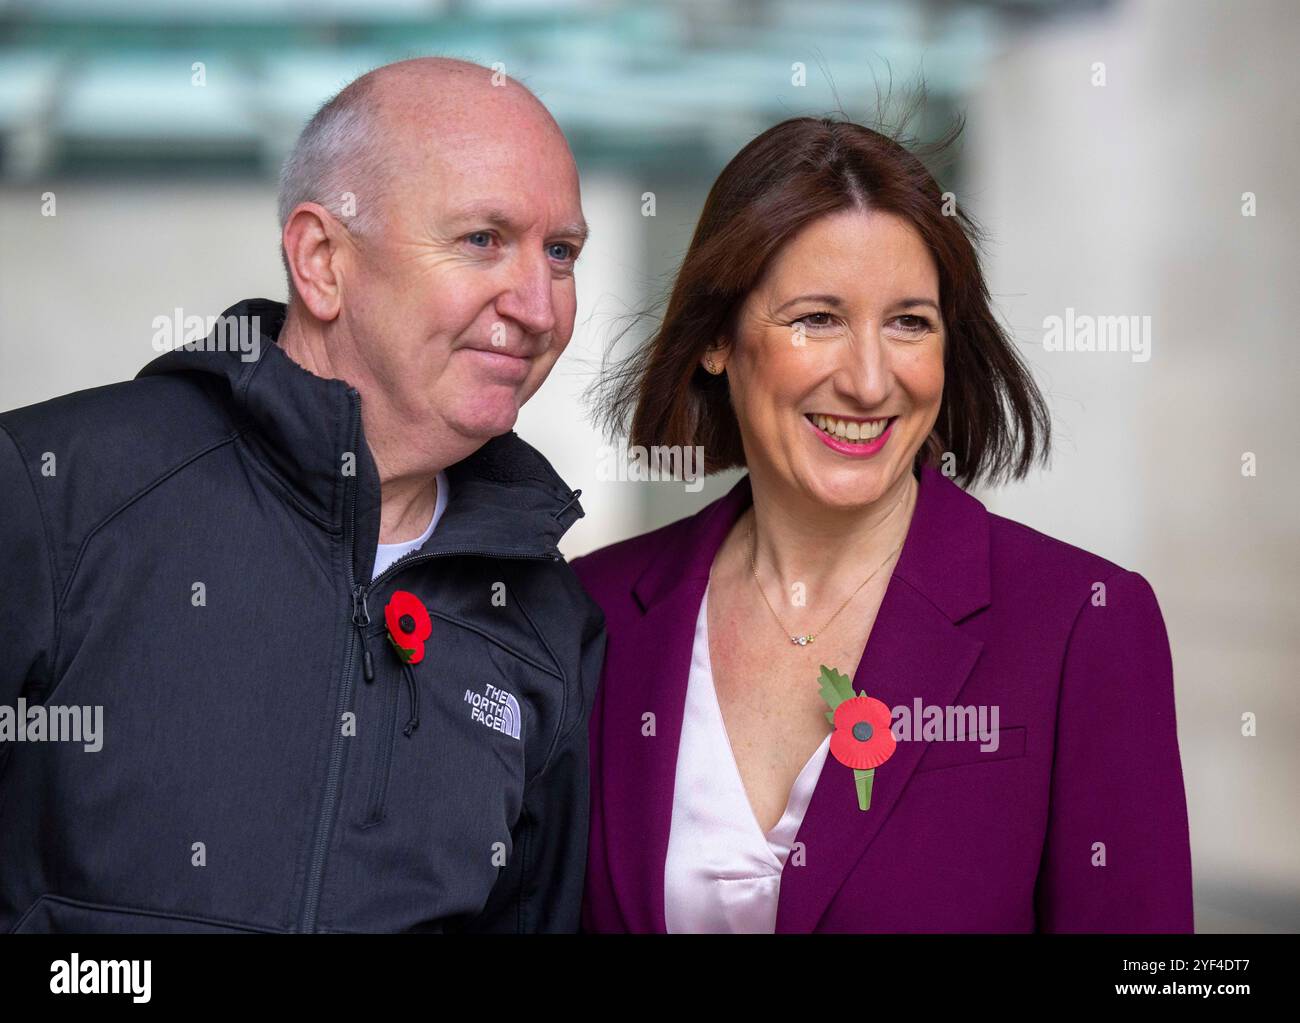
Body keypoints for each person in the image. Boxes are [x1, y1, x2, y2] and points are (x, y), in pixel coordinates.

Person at [0, 57, 604, 933]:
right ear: (323, 260)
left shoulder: (547, 623)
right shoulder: (56, 493)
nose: (540, 305)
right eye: (482, 239)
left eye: (561, 252)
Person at [573, 116, 1193, 933]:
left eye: (909, 322)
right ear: (718, 338)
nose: (870, 382)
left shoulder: (1085, 622)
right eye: (817, 318)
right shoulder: (594, 611)